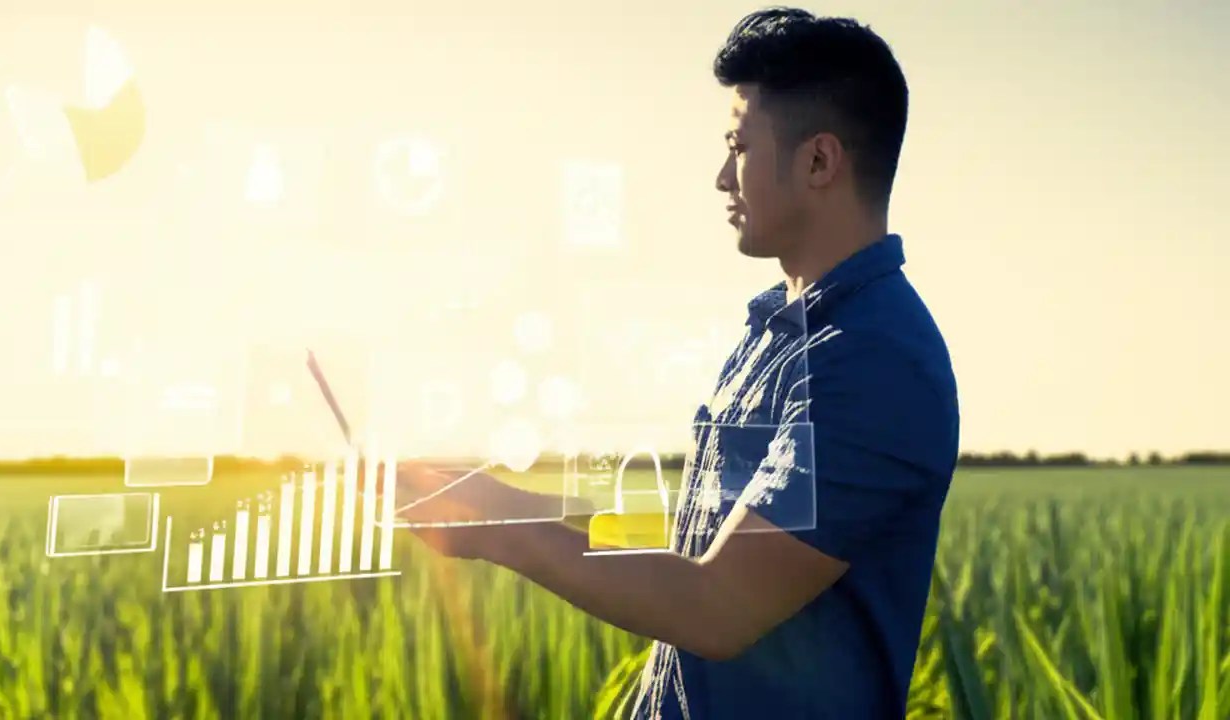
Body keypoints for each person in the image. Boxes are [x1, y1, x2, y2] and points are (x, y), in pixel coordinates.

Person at [396, 7, 960, 719]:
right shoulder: (779, 334)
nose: (723, 176)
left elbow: (716, 605)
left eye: (740, 146)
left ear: (819, 161)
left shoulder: (874, 362)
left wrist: (498, 531)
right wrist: (497, 498)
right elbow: (704, 542)